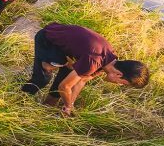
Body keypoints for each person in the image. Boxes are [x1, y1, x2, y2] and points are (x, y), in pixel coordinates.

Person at [21, 23, 149, 113]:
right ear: (119, 75)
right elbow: (64, 87)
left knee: (65, 81)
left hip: (67, 52)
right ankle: (20, 98)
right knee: (43, 78)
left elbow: (81, 80)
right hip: (48, 39)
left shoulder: (108, 61)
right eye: (123, 84)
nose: (119, 84)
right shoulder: (95, 61)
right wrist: (68, 104)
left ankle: (46, 107)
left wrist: (69, 105)